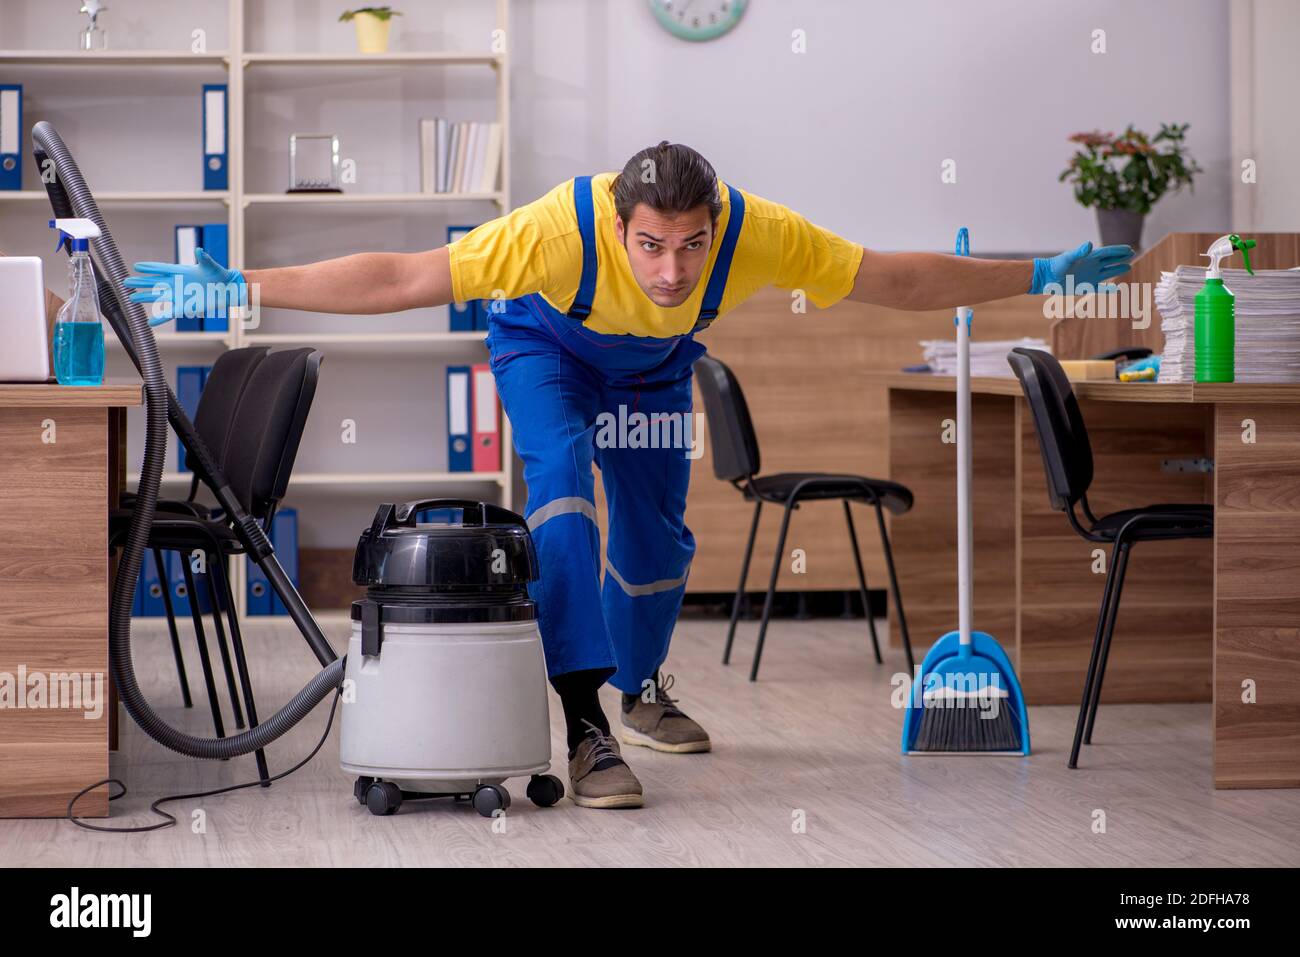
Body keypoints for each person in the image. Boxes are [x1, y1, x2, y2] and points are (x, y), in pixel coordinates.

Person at [125, 141, 1134, 809]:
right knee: (562, 498)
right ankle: (584, 727)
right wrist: (242, 285)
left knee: (656, 544)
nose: (670, 272)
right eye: (650, 247)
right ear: (616, 226)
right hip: (546, 353)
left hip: (654, 372)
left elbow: (889, 277)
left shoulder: (758, 235)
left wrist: (1036, 276)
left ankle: (643, 684)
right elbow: (403, 277)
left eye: (690, 248)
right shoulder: (550, 233)